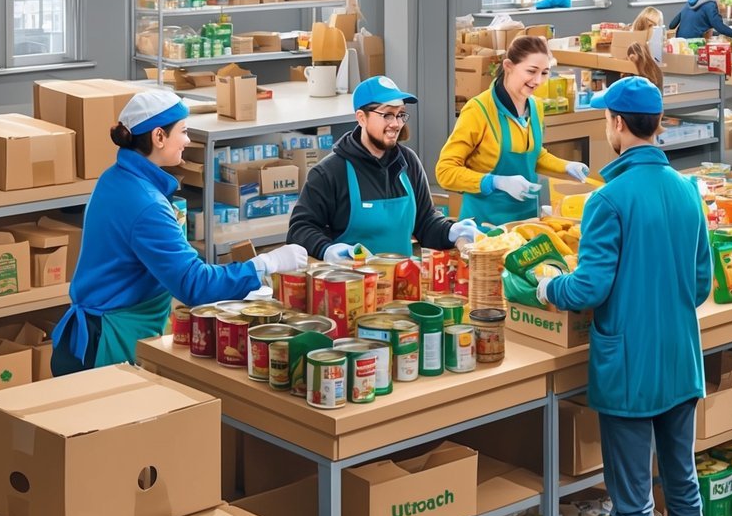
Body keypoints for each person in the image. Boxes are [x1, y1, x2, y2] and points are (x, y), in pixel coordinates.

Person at [536, 76, 711, 516]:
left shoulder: (606, 200)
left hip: (629, 369)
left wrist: (548, 286)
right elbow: (701, 283)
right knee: (682, 486)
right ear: (657, 125)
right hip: (680, 360)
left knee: (632, 505)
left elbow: (590, 287)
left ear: (615, 124)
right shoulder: (687, 190)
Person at [50, 91, 308, 375]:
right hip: (109, 345)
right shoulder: (145, 204)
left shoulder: (115, 178)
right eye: (183, 132)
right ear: (159, 137)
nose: (188, 140)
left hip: (92, 335)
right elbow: (194, 285)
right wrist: (265, 264)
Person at [288, 76, 478, 262]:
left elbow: (425, 223)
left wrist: (450, 231)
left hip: (404, 284)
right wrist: (325, 249)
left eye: (400, 114)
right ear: (362, 118)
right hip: (352, 285)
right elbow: (300, 229)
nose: (395, 124)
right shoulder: (330, 172)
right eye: (387, 114)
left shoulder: (408, 163)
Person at [436, 35, 590, 226]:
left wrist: (566, 166)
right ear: (508, 66)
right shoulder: (478, 110)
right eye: (531, 71)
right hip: (484, 227)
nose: (538, 81)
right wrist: (496, 182)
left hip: (526, 222)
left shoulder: (535, 107)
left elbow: (533, 155)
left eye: (544, 73)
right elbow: (445, 171)